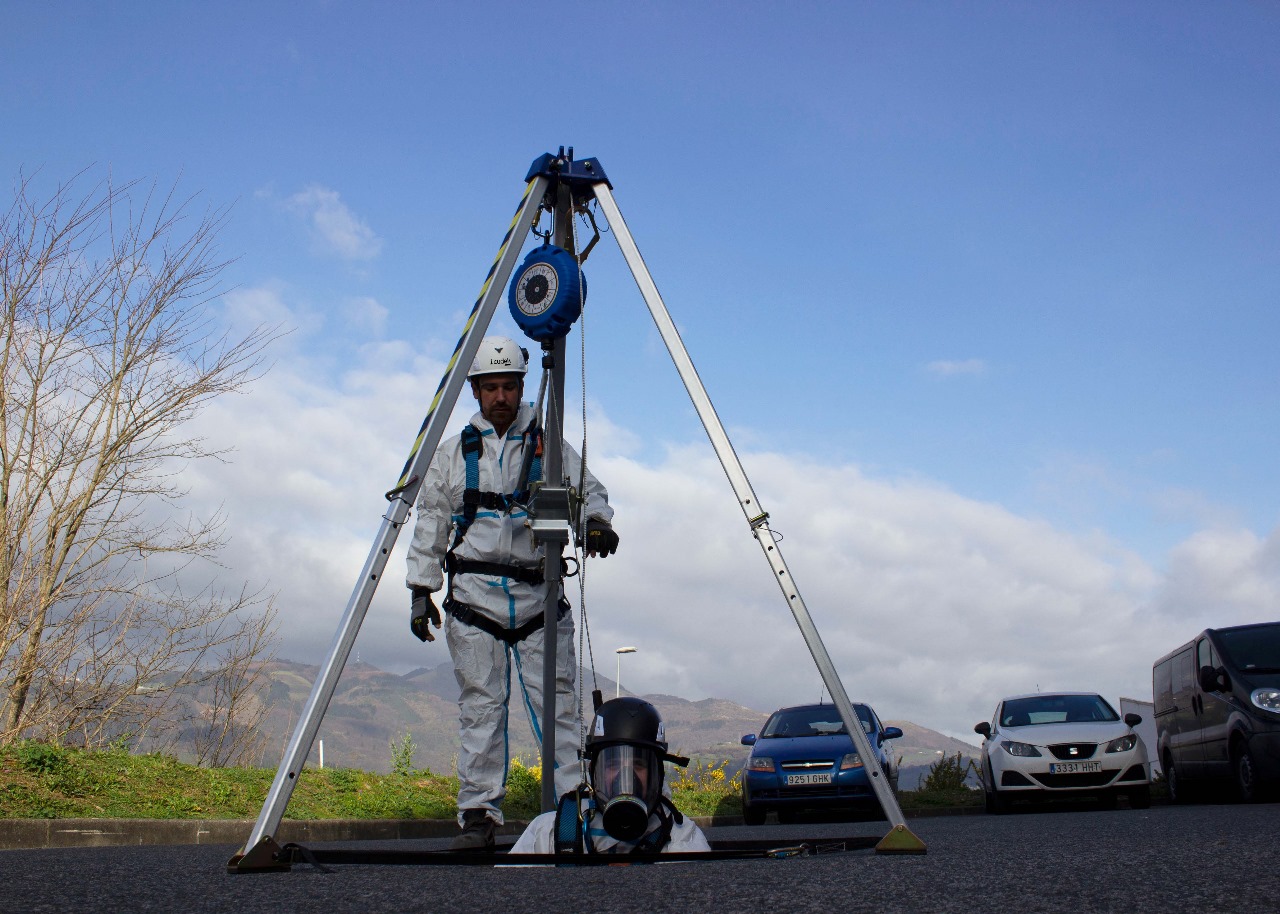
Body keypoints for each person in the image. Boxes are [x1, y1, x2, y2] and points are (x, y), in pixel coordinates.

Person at [406, 335, 619, 851]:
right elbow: (431, 520)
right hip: (473, 599)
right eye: (490, 387)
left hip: (538, 599)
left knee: (559, 707)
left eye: (508, 387)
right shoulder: (453, 455)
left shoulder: (549, 446)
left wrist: (596, 523)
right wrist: (420, 589)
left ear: (522, 387)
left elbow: (589, 491)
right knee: (481, 707)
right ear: (476, 392)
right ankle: (478, 814)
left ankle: (572, 806)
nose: (500, 397)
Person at [510, 697, 711, 855]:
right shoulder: (549, 833)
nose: (626, 777)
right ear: (593, 771)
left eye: (638, 765)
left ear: (657, 774)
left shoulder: (682, 839)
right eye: (613, 764)